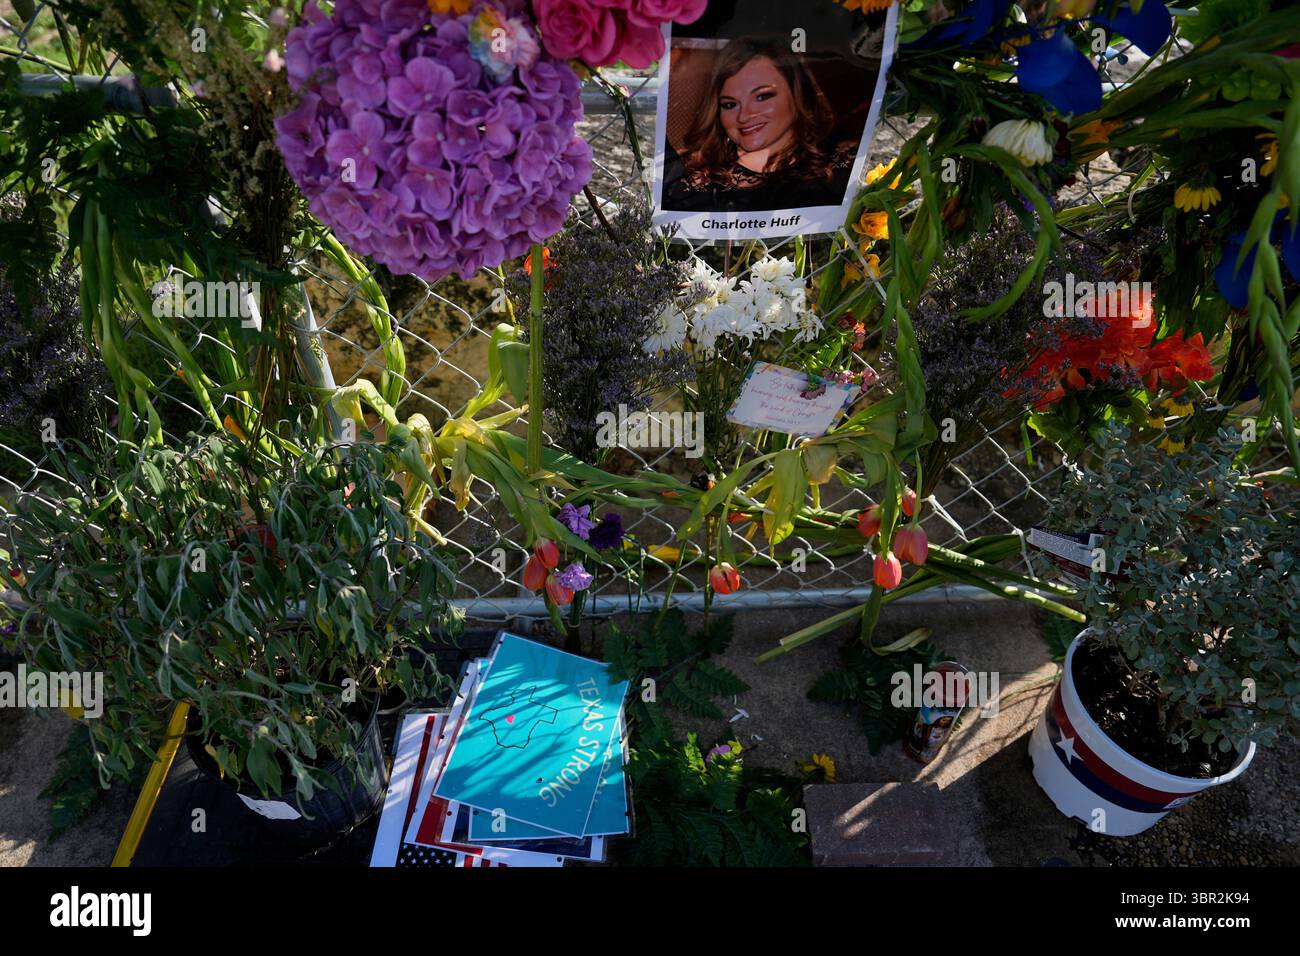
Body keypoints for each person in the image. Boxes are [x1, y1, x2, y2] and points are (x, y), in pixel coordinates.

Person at [662, 37, 858, 213]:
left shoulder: (844, 163)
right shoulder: (689, 176)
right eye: (730, 104)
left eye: (762, 96)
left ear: (797, 94)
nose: (744, 116)